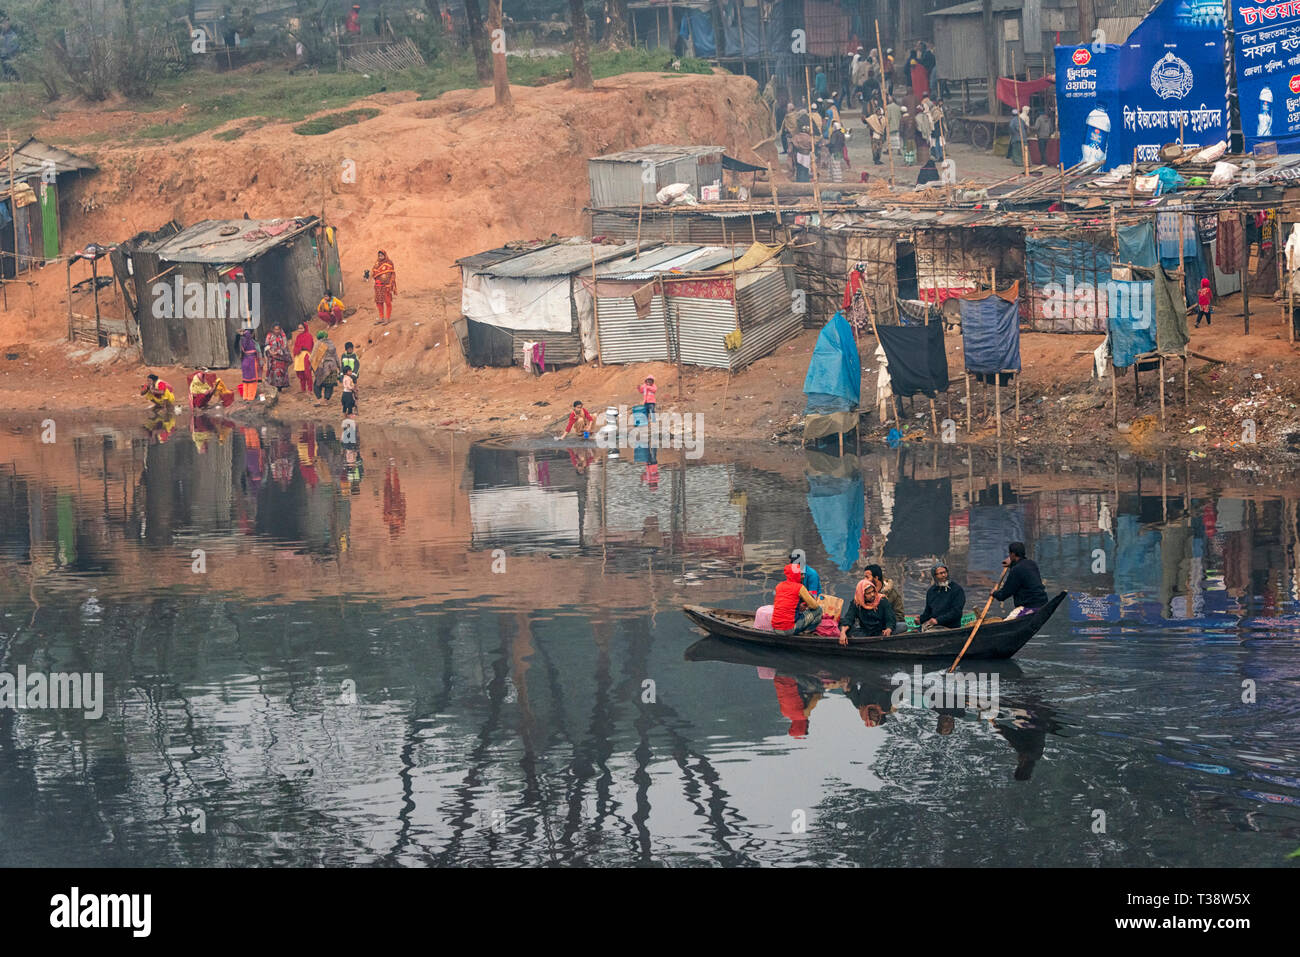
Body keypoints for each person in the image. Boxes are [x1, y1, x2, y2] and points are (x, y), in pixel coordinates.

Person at [991, 541, 1049, 619]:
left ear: (1013, 554)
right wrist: (1011, 564)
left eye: (1010, 554)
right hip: (1043, 602)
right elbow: (1021, 571)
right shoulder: (1032, 564)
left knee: (1007, 621)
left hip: (1029, 606)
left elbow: (1004, 595)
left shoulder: (1016, 570)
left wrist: (994, 593)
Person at [839, 577, 895, 644]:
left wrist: (889, 628)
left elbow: (890, 618)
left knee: (903, 626)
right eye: (868, 593)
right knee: (843, 629)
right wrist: (843, 633)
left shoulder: (882, 600)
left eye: (873, 591)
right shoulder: (857, 604)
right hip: (866, 632)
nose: (872, 595)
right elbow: (849, 618)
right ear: (862, 595)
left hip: (882, 631)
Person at [772, 563, 823, 635]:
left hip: (774, 628)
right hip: (788, 630)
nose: (803, 576)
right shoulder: (800, 587)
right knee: (819, 609)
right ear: (796, 575)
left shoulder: (779, 586)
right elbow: (814, 606)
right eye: (801, 574)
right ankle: (807, 632)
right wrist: (809, 597)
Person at [920, 564, 966, 630]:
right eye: (941, 573)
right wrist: (920, 619)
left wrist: (937, 620)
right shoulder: (931, 591)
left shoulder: (957, 589)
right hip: (934, 626)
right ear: (935, 576)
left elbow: (956, 612)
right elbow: (928, 612)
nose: (944, 575)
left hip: (951, 627)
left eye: (945, 572)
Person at [370, 249, 396, 323]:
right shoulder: (377, 264)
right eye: (379, 255)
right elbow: (374, 273)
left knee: (387, 302)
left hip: (386, 286)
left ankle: (387, 318)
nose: (380, 257)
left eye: (382, 255)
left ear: (385, 255)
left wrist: (390, 284)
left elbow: (392, 274)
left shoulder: (389, 263)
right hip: (378, 286)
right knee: (379, 302)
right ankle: (381, 318)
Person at [264, 323, 292, 390]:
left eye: (278, 329)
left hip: (281, 356)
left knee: (281, 371)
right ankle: (274, 385)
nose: (277, 331)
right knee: (273, 371)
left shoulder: (282, 336)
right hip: (272, 357)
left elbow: (285, 346)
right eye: (275, 329)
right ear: (273, 329)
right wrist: (270, 352)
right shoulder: (269, 336)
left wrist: (278, 352)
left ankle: (280, 386)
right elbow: (266, 345)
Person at [237, 328, 261, 400]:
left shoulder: (242, 341)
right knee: (252, 380)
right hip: (251, 362)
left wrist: (243, 332)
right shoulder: (251, 342)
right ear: (251, 334)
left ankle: (245, 396)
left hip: (244, 362)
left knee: (246, 381)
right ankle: (251, 397)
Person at [292, 321, 315, 393]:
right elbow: (296, 346)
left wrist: (300, 348)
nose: (300, 330)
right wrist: (297, 350)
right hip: (298, 357)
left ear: (305, 328)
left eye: (301, 328)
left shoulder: (308, 336)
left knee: (307, 373)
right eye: (299, 328)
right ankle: (303, 389)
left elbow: (308, 346)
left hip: (305, 356)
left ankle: (310, 389)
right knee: (300, 373)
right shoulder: (298, 337)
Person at [864, 98, 885, 165]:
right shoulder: (873, 117)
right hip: (874, 135)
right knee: (875, 148)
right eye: (877, 111)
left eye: (879, 111)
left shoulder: (884, 119)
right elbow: (868, 122)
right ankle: (875, 159)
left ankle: (878, 159)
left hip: (880, 135)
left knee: (880, 148)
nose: (878, 112)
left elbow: (884, 126)